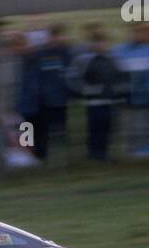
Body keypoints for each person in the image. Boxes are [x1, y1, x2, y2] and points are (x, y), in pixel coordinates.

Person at [113, 23, 149, 157]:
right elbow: (115, 75)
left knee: (148, 122)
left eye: (141, 32)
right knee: (130, 123)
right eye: (135, 32)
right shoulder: (119, 51)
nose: (138, 35)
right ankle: (132, 150)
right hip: (128, 97)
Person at [68, 25, 122, 161]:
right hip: (93, 102)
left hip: (110, 101)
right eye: (97, 41)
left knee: (108, 128)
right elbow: (72, 78)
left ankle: (104, 153)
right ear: (92, 43)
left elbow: (120, 76)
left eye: (103, 41)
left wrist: (118, 92)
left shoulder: (112, 59)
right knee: (95, 128)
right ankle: (94, 154)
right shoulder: (83, 60)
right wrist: (85, 90)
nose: (101, 44)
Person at [20, 24, 72, 164]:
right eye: (53, 36)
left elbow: (69, 75)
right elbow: (36, 78)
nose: (56, 39)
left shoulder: (65, 53)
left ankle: (59, 159)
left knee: (59, 132)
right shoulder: (38, 55)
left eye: (59, 35)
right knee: (38, 132)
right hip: (42, 102)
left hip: (60, 101)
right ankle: (37, 158)